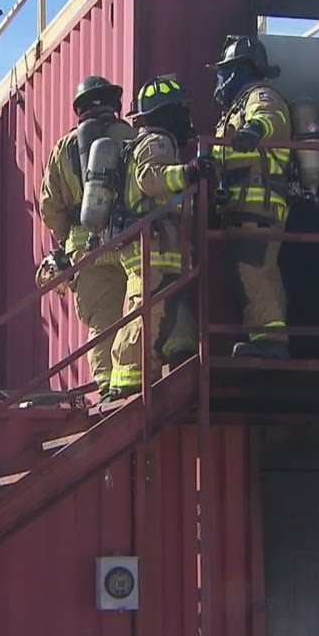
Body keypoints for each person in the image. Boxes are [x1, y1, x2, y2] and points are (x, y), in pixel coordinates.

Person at [106, 74, 207, 398]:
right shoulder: (156, 140)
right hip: (153, 248)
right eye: (180, 110)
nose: (185, 117)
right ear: (166, 113)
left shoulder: (145, 142)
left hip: (161, 246)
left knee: (171, 309)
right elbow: (152, 179)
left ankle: (181, 354)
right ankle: (127, 381)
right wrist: (190, 172)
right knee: (144, 312)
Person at [38, 76, 137, 399]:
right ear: (114, 104)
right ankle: (135, 376)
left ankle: (109, 385)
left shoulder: (62, 149)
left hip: (86, 251)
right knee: (136, 311)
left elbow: (50, 208)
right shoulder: (131, 136)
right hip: (129, 239)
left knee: (103, 320)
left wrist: (69, 238)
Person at [208, 35, 293, 359]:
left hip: (259, 203)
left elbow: (272, 119)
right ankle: (269, 337)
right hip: (243, 205)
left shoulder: (260, 96)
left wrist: (254, 130)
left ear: (237, 71)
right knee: (257, 270)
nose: (218, 81)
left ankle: (270, 342)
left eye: (221, 72)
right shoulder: (236, 107)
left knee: (252, 269)